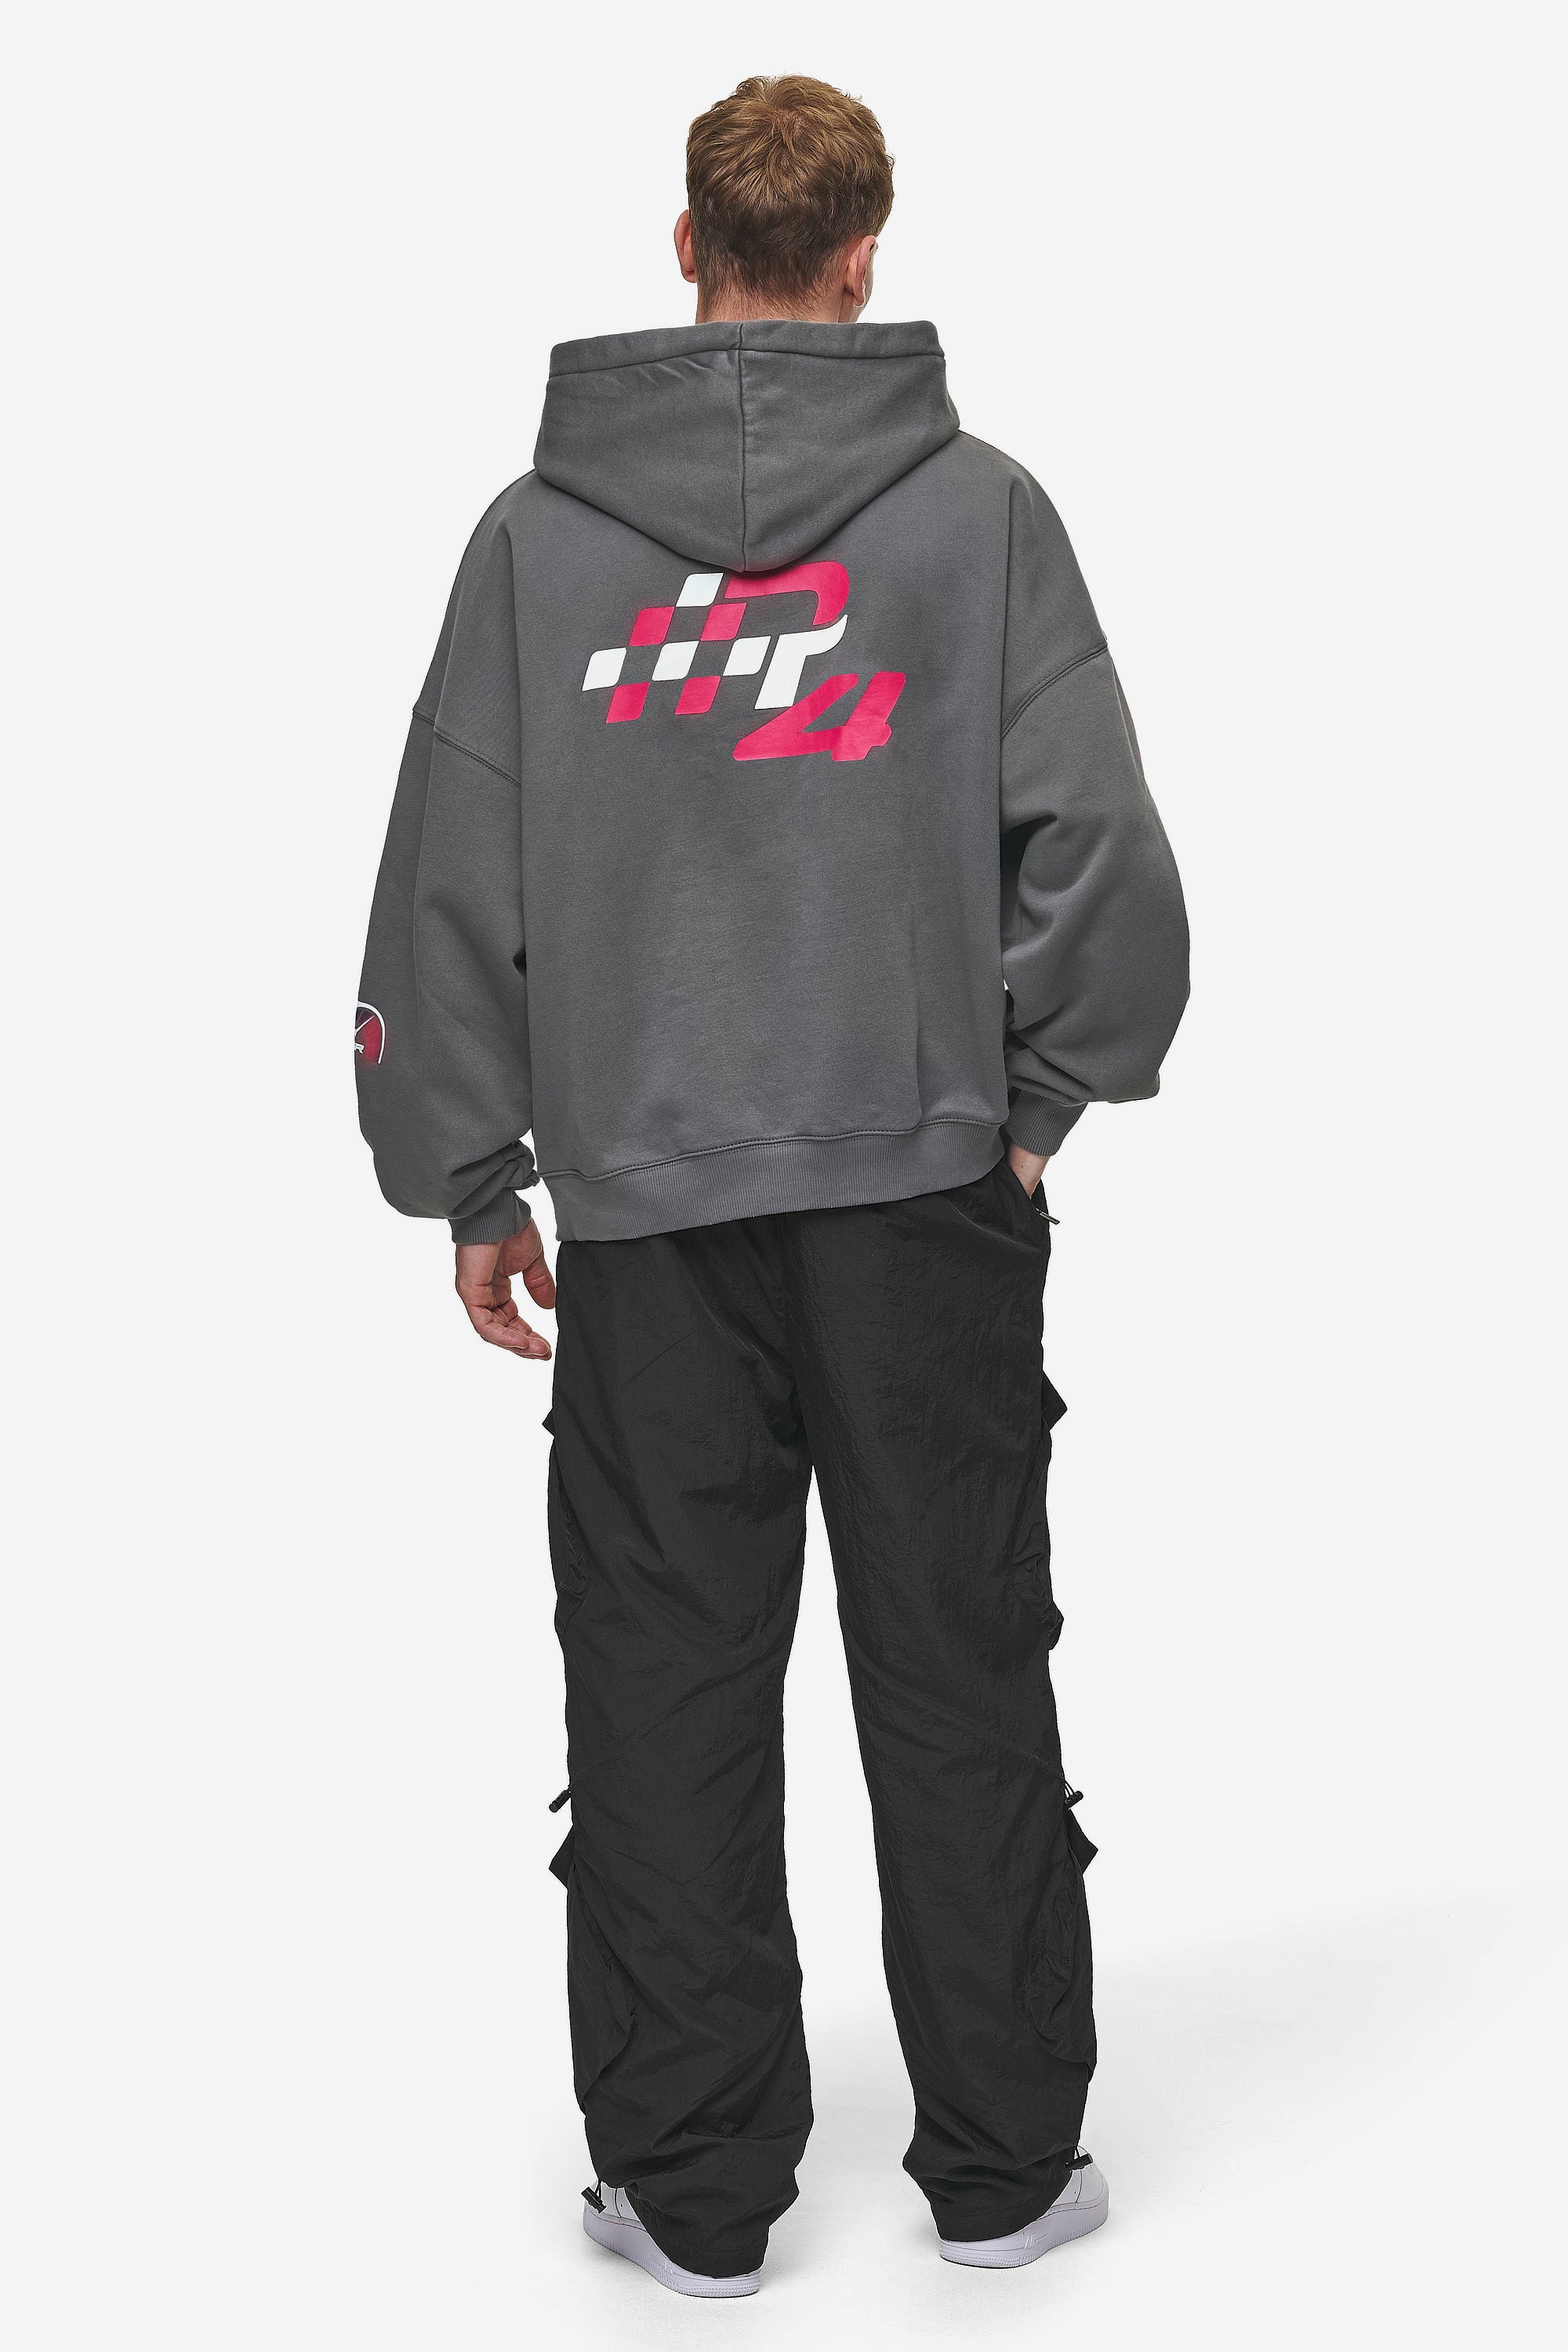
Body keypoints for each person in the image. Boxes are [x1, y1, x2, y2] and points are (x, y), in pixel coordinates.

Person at [356, 72, 1189, 2301]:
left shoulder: (536, 547)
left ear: (684, 247)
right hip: (927, 1204)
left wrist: (468, 1175)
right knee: (959, 1664)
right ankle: (1005, 2175)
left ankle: (692, 2190)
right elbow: (1104, 861)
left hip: (643, 1222)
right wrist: (1038, 1099)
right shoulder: (977, 520)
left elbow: (449, 882)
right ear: (862, 258)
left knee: (662, 1688)